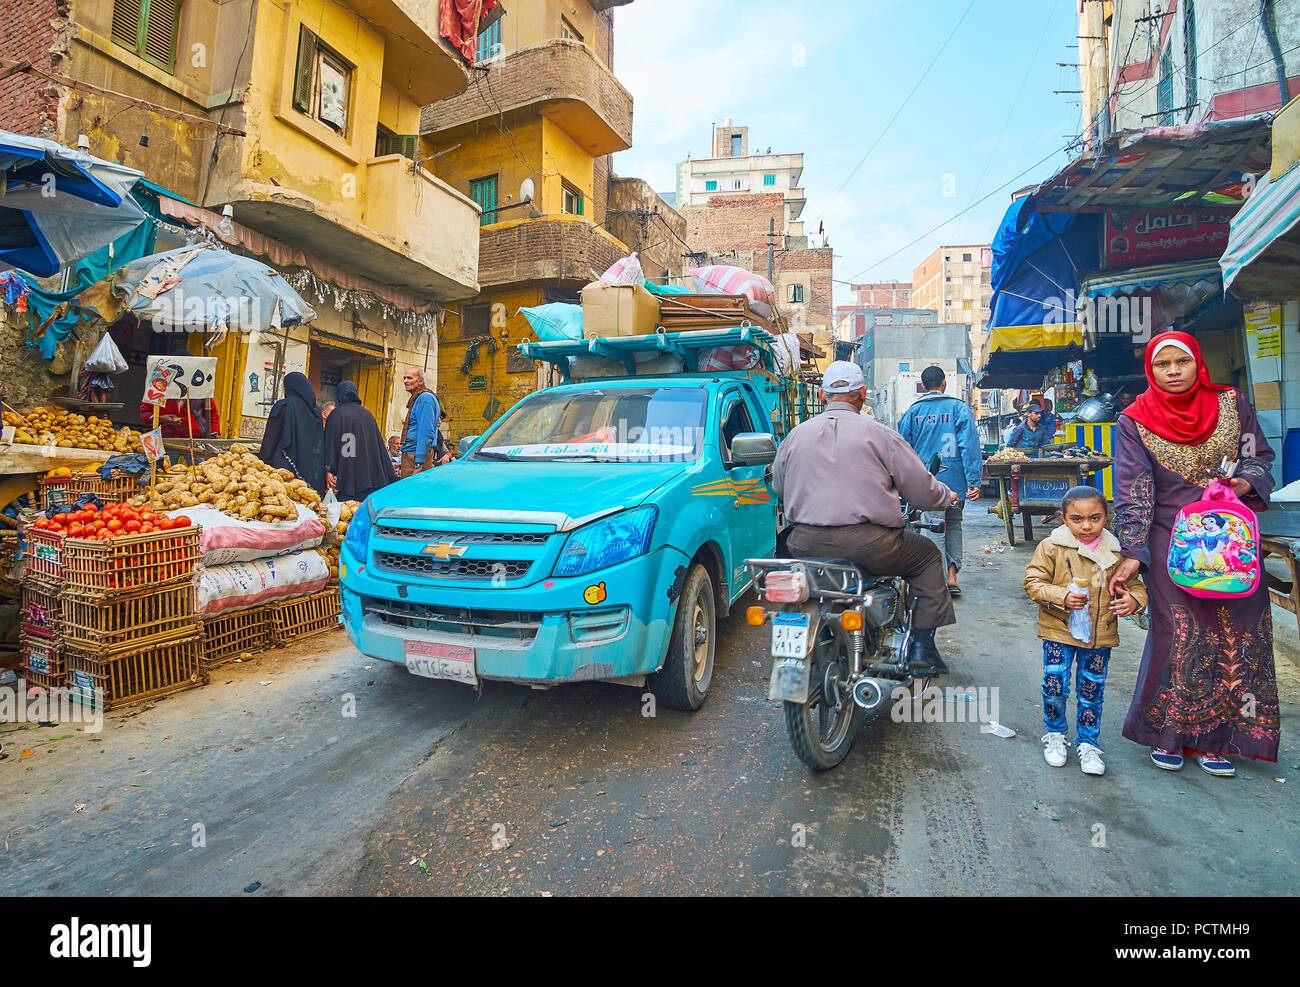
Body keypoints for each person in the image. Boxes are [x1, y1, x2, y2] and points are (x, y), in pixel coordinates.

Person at [1109, 331, 1278, 777]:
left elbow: (1257, 457)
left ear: (1196, 362)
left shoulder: (1231, 403)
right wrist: (1132, 551)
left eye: (1180, 362)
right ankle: (1172, 735)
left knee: (1239, 632)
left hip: (1233, 540)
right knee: (1180, 632)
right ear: (1151, 370)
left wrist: (1240, 483)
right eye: (1162, 365)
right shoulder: (1134, 419)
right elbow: (1133, 489)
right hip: (1171, 539)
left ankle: (1221, 739)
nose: (1173, 372)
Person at [772, 360, 960, 674]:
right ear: (862, 394)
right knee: (927, 557)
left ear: (822, 395)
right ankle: (921, 649)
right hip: (870, 544)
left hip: (805, 544)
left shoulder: (795, 437)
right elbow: (922, 493)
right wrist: (947, 496)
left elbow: (779, 487)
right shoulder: (880, 435)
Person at [1024, 487, 1147, 776]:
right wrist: (1061, 596)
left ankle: (1088, 742)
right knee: (1055, 685)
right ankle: (1055, 735)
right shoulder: (1051, 547)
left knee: (1092, 690)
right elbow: (1032, 582)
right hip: (1058, 630)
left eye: (1095, 518)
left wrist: (1135, 600)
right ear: (1064, 518)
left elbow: (1138, 585)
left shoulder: (1118, 552)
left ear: (1106, 516)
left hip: (1100, 634)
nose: (1087, 525)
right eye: (1077, 519)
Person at [896, 365, 983, 597]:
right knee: (954, 524)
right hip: (956, 480)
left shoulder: (912, 412)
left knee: (934, 526)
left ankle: (939, 580)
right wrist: (974, 480)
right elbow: (969, 446)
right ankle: (952, 576)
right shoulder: (959, 409)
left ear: (924, 386)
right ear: (944, 383)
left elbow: (903, 449)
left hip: (927, 483)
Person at [323, 381, 394, 502]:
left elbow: (330, 444)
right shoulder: (367, 414)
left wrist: (329, 469)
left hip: (349, 479)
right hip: (371, 478)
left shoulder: (336, 414)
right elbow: (377, 445)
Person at [258, 371, 326, 495]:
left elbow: (270, 440)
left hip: (283, 476)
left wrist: (261, 465)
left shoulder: (283, 407)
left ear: (287, 388)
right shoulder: (316, 412)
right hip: (311, 478)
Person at [398, 367, 446, 478]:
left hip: (415, 456)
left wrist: (419, 463)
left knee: (410, 492)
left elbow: (426, 432)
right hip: (412, 454)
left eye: (409, 378)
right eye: (404, 378)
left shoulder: (425, 398)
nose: (405, 381)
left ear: (420, 381)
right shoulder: (419, 398)